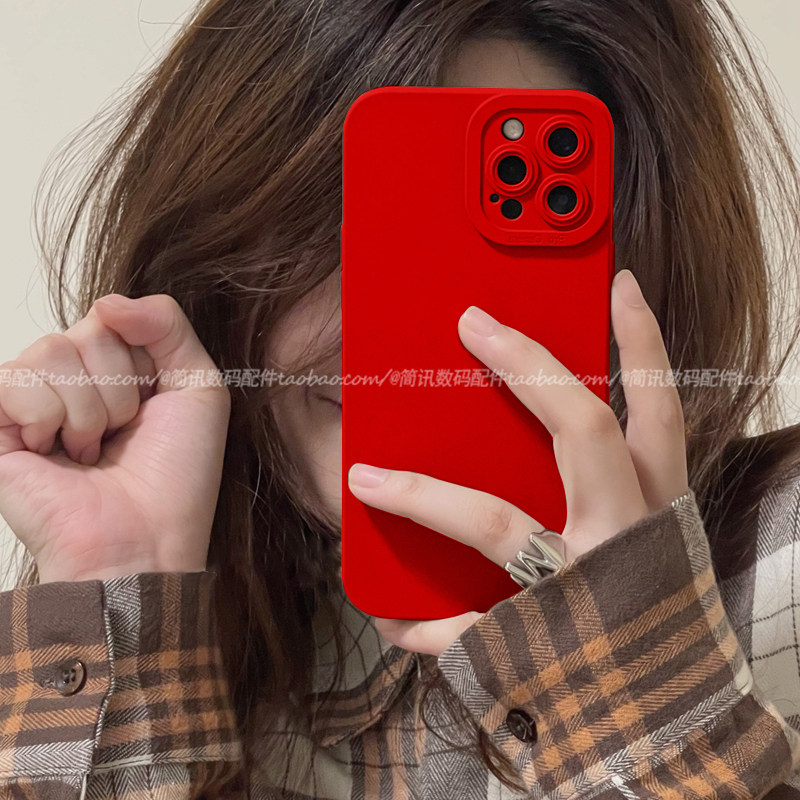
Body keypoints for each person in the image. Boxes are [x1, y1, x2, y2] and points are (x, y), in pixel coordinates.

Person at [1, 0, 800, 797]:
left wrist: (642, 699)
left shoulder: (782, 570)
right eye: (347, 223)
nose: (381, 329)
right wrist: (122, 602)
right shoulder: (235, 632)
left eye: (440, 242)